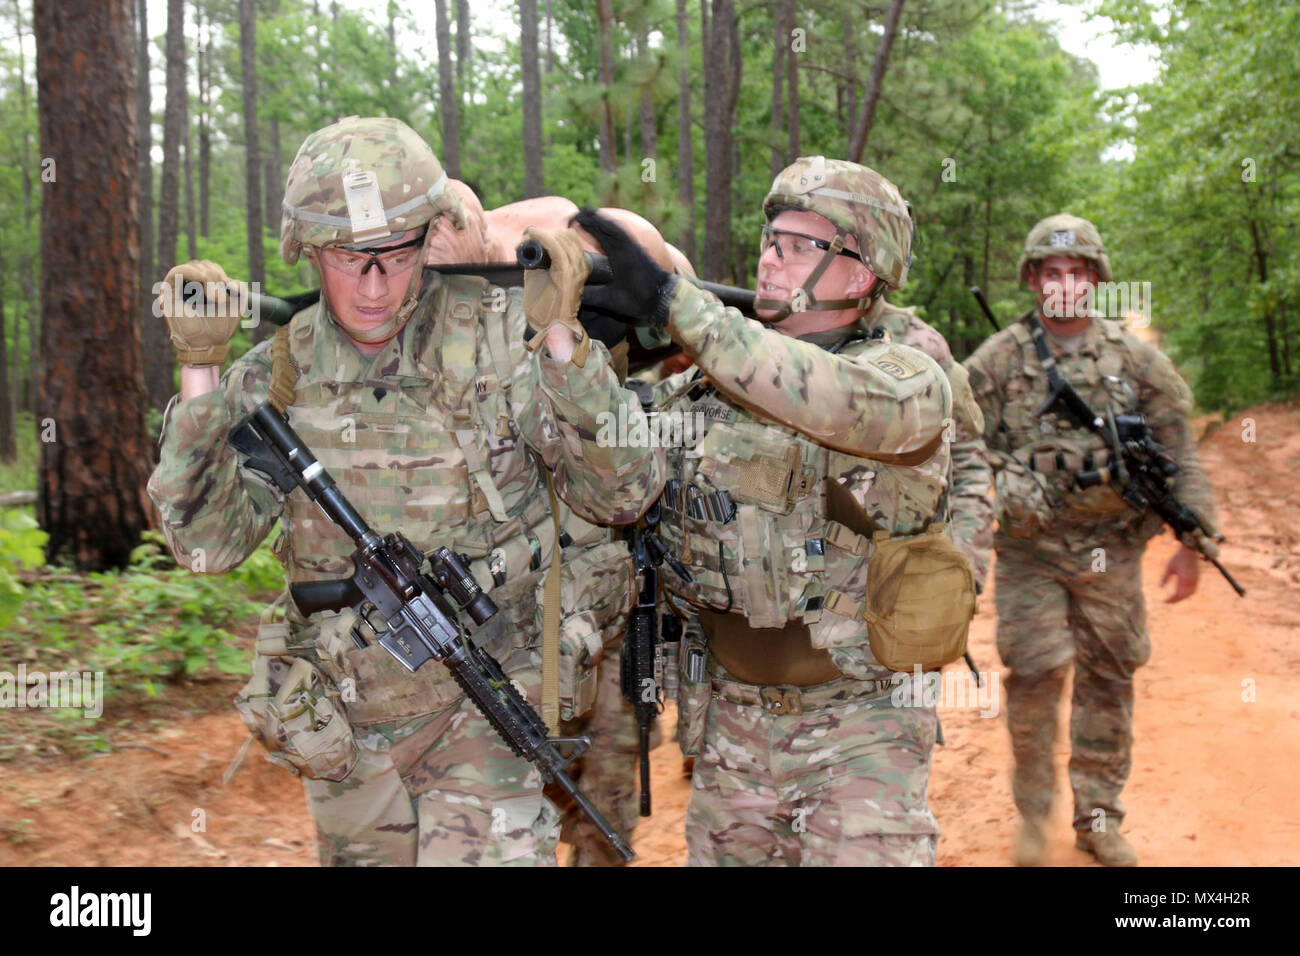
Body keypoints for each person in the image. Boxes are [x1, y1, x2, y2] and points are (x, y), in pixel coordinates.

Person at [147, 115, 663, 866]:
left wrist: (562, 343)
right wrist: (200, 376)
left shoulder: (501, 338)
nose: (374, 284)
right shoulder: (279, 370)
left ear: (428, 240)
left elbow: (623, 495)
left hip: (484, 699)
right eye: (348, 258)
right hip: (347, 726)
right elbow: (205, 548)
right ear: (308, 250)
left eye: (396, 254)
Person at [575, 155, 967, 866]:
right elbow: (616, 483)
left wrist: (675, 301)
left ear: (864, 270)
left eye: (801, 245)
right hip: (733, 723)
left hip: (861, 724)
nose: (771, 258)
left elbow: (833, 399)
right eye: (770, 239)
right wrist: (584, 357)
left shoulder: (907, 371)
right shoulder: (705, 385)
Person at [963, 213, 1220, 866]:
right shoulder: (998, 361)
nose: (1065, 284)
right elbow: (952, 437)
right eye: (1052, 272)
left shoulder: (1134, 359)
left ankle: (1099, 816)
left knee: (1110, 675)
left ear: (1096, 279)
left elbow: (1177, 448)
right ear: (1033, 279)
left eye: (1077, 272)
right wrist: (1004, 477)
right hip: (1029, 551)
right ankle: (1033, 812)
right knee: (1036, 672)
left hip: (1112, 550)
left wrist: (1192, 540)